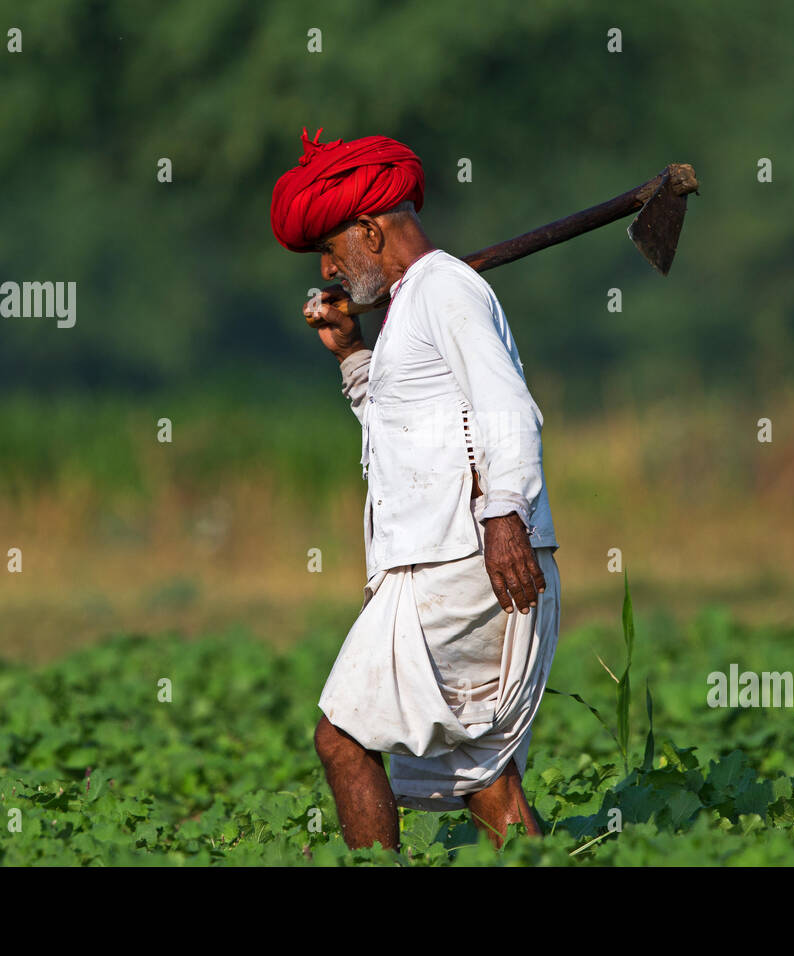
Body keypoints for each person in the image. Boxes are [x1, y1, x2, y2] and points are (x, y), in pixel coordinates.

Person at [271, 127, 561, 850]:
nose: (333, 271)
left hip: (463, 559)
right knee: (484, 779)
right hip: (452, 558)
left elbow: (507, 408)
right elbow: (406, 432)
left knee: (342, 740)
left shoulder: (446, 290)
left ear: (371, 228)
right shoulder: (413, 304)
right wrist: (352, 356)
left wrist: (504, 520)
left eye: (333, 251)